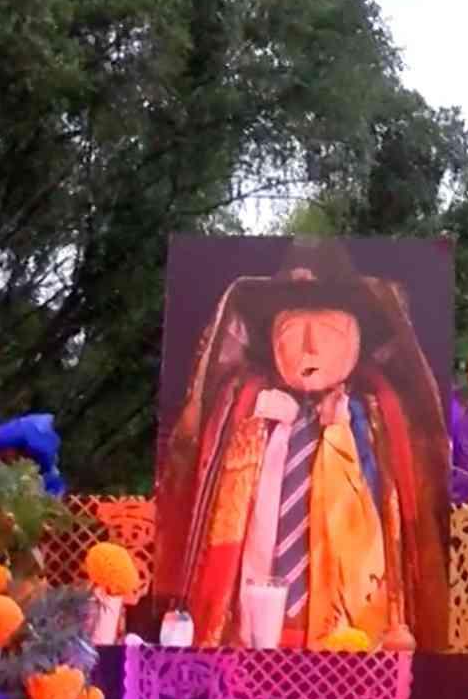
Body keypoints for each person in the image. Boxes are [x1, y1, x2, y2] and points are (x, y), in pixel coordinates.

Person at [155, 241, 451, 650]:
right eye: (293, 332)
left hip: (345, 606)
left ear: (358, 341)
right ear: (272, 341)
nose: (310, 348)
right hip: (255, 602)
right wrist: (251, 423)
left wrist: (346, 431)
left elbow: (394, 501)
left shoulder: (380, 415)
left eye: (328, 332)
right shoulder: (243, 405)